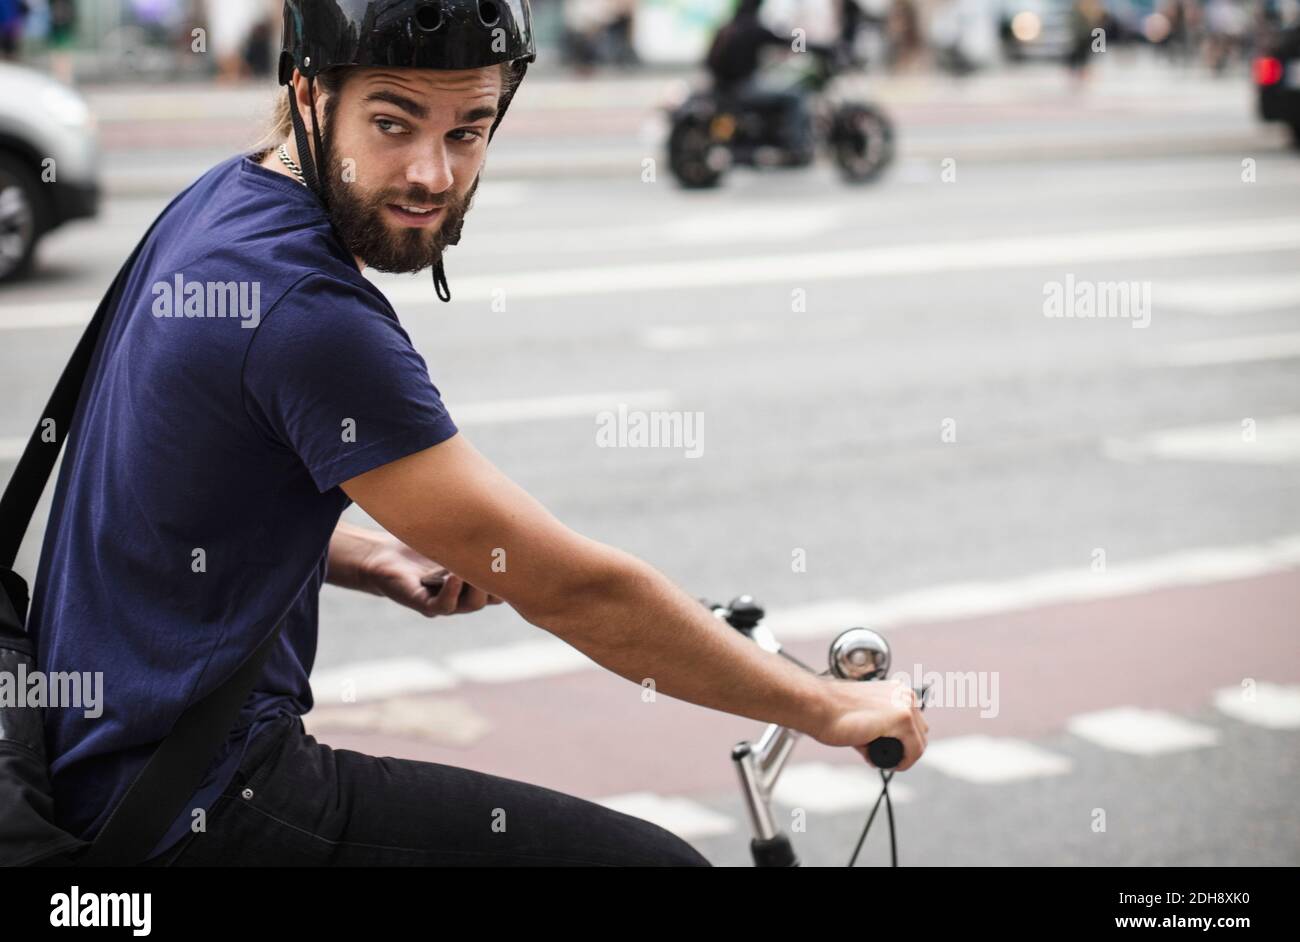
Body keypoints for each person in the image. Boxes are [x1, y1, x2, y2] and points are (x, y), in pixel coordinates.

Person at [32, 0, 928, 867]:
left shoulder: (218, 205)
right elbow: (573, 590)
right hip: (195, 809)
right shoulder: (308, 315)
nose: (433, 173)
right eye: (393, 123)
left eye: (468, 131)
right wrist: (826, 707)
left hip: (98, 767)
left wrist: (369, 556)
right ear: (309, 93)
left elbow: (171, 491)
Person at [705, 0, 836, 158]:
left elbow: (708, 61)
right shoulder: (752, 29)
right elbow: (785, 41)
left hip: (723, 87)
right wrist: (819, 48)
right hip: (743, 88)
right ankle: (797, 147)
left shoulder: (727, 29)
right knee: (796, 96)